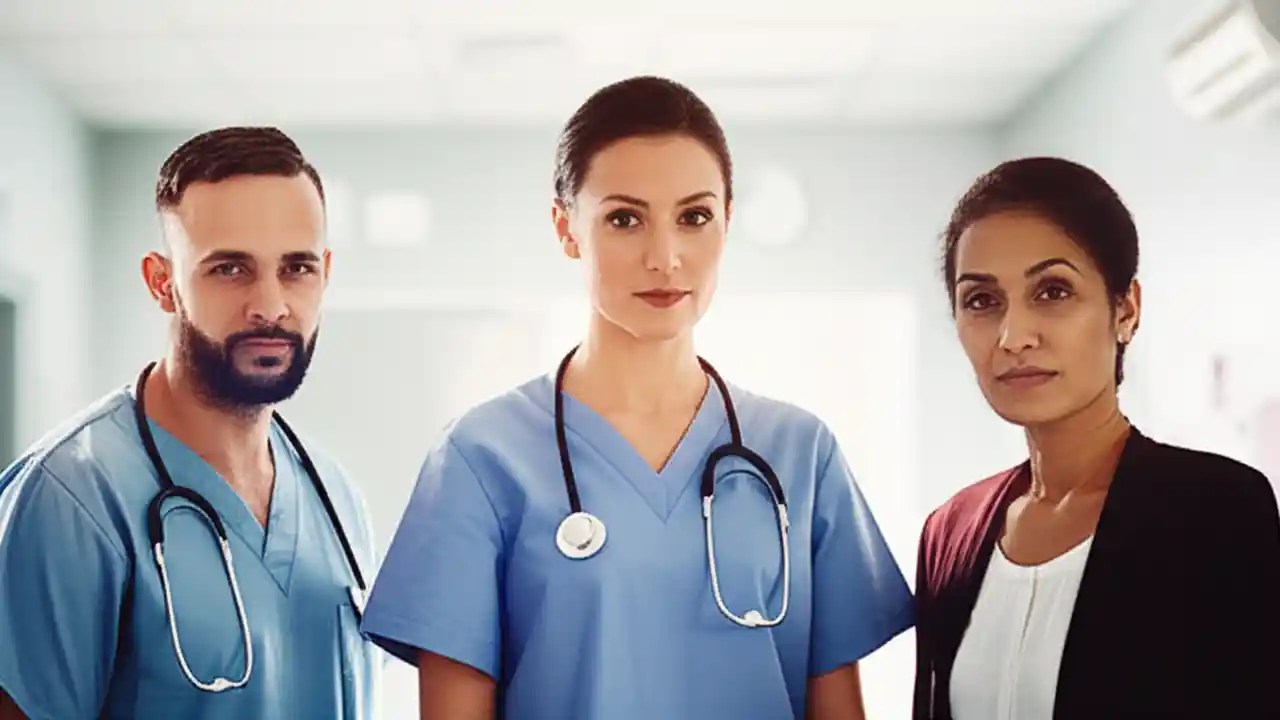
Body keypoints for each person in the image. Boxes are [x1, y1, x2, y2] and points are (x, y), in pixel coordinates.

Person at [358, 75, 914, 719]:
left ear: (727, 224)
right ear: (566, 229)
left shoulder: (800, 453)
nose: (665, 256)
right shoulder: (482, 458)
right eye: (625, 219)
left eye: (694, 217)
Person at [0, 127, 379, 719]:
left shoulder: (337, 499)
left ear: (325, 274)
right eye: (231, 269)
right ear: (162, 284)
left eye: (297, 267)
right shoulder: (71, 499)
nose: (271, 305)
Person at [912, 157, 1280, 719]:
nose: (1013, 337)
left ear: (1125, 309)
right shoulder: (949, 533)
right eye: (982, 301)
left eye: (1053, 291)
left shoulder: (1217, 510)